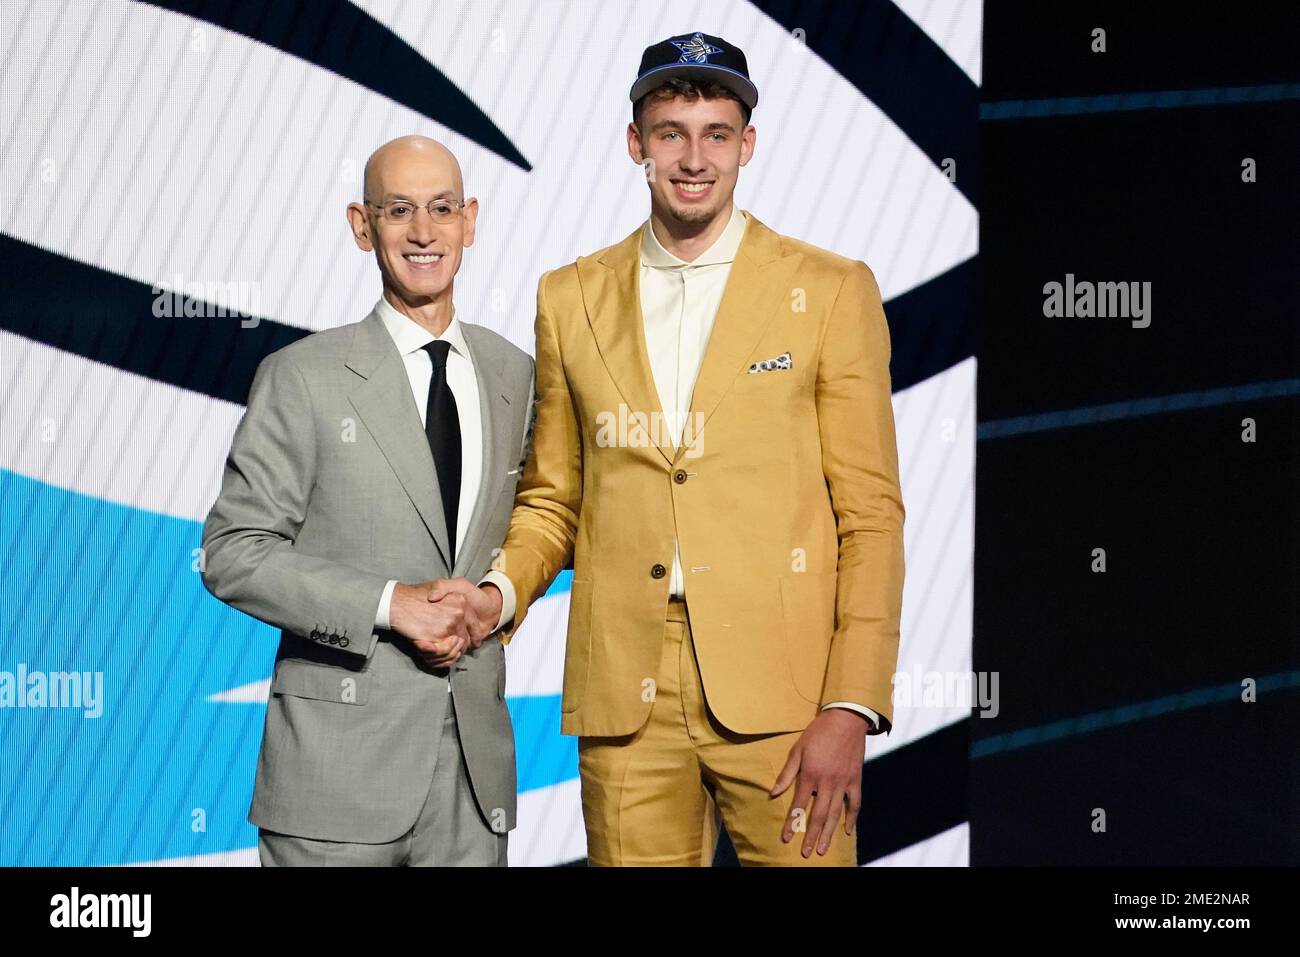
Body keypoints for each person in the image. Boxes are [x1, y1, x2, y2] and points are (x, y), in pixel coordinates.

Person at [439, 31, 905, 866]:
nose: (694, 158)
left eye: (716, 134)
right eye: (671, 133)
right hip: (626, 695)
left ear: (746, 146)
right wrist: (497, 595)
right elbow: (554, 497)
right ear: (636, 145)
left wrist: (850, 704)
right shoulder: (569, 296)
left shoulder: (832, 291)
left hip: (789, 701)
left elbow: (870, 515)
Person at [200, 135, 534, 866]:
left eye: (442, 208)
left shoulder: (517, 374)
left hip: (474, 789)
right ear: (362, 226)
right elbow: (231, 551)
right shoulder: (302, 376)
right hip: (333, 782)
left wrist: (496, 597)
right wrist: (390, 602)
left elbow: (546, 524)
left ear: (470, 220)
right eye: (399, 210)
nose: (424, 231)